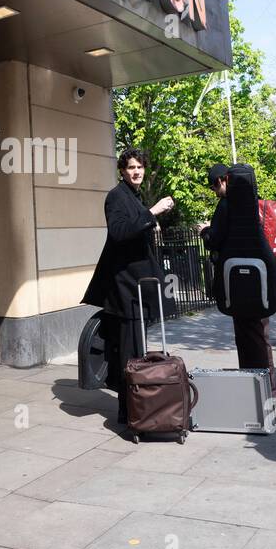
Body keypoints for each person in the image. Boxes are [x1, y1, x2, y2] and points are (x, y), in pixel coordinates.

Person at [81, 148, 174, 423]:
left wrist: (149, 221)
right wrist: (152, 212)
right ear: (122, 170)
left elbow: (134, 228)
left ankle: (136, 406)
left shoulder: (132, 196)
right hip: (123, 289)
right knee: (128, 351)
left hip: (137, 288)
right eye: (131, 167)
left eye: (140, 167)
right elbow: (119, 232)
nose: (136, 172)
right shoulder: (116, 196)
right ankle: (128, 411)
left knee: (136, 349)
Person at [209, 163, 276, 372]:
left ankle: (253, 385)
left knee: (245, 337)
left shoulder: (225, 206)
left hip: (237, 287)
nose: (214, 190)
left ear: (224, 180)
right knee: (260, 335)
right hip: (260, 285)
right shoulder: (256, 205)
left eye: (213, 185)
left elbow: (215, 240)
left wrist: (205, 233)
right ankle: (268, 386)